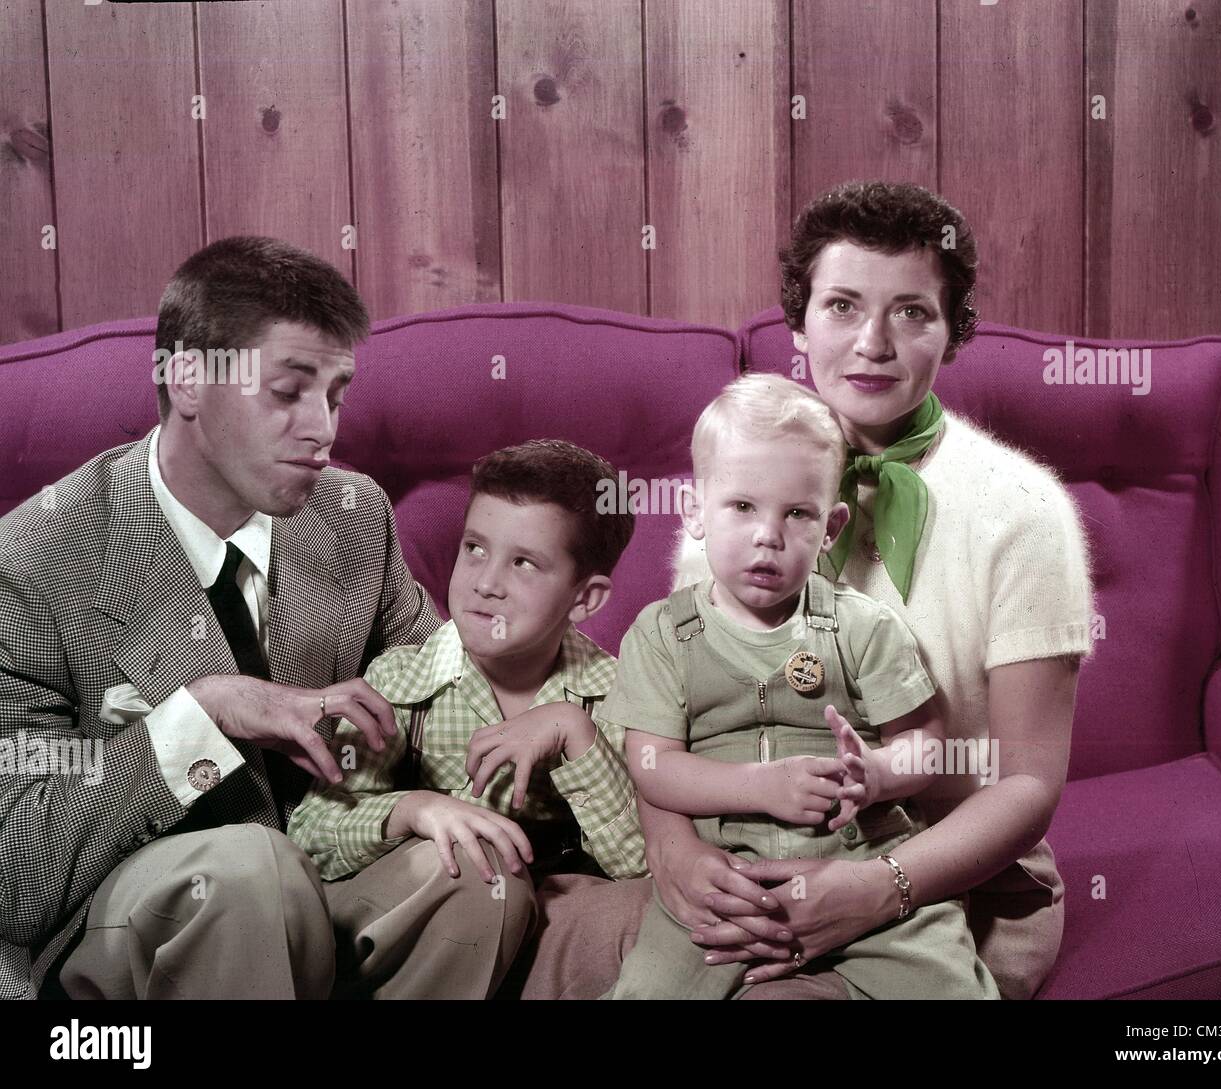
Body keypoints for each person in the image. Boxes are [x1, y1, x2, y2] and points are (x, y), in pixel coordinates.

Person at [523, 180, 1093, 1001]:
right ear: (799, 322)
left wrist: (876, 887)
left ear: (953, 331)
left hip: (950, 871)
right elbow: (670, 724)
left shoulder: (1023, 510)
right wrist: (678, 855)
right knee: (564, 952)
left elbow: (1026, 783)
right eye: (841, 306)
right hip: (751, 842)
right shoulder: (739, 483)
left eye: (912, 312)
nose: (872, 342)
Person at [0, 236, 518, 999]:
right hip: (130, 925)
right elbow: (17, 868)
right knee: (247, 870)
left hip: (318, 873)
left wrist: (421, 795)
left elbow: (439, 699)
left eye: (336, 395)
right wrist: (205, 712)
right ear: (187, 380)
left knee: (474, 868)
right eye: (289, 391)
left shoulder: (353, 515)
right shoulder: (34, 560)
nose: (324, 430)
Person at [602, 375, 997, 999]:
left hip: (858, 857)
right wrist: (759, 785)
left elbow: (925, 738)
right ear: (695, 512)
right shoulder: (661, 634)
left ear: (832, 526)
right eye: (742, 506)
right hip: (726, 876)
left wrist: (880, 774)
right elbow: (652, 766)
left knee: (950, 987)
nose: (768, 535)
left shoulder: (862, 627)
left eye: (797, 513)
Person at [288, 439, 646, 996]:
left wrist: (576, 735)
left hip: (546, 926)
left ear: (585, 599)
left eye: (523, 562)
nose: (485, 582)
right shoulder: (401, 683)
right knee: (483, 881)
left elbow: (643, 864)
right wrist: (413, 807)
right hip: (417, 919)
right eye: (474, 549)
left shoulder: (618, 696)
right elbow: (310, 834)